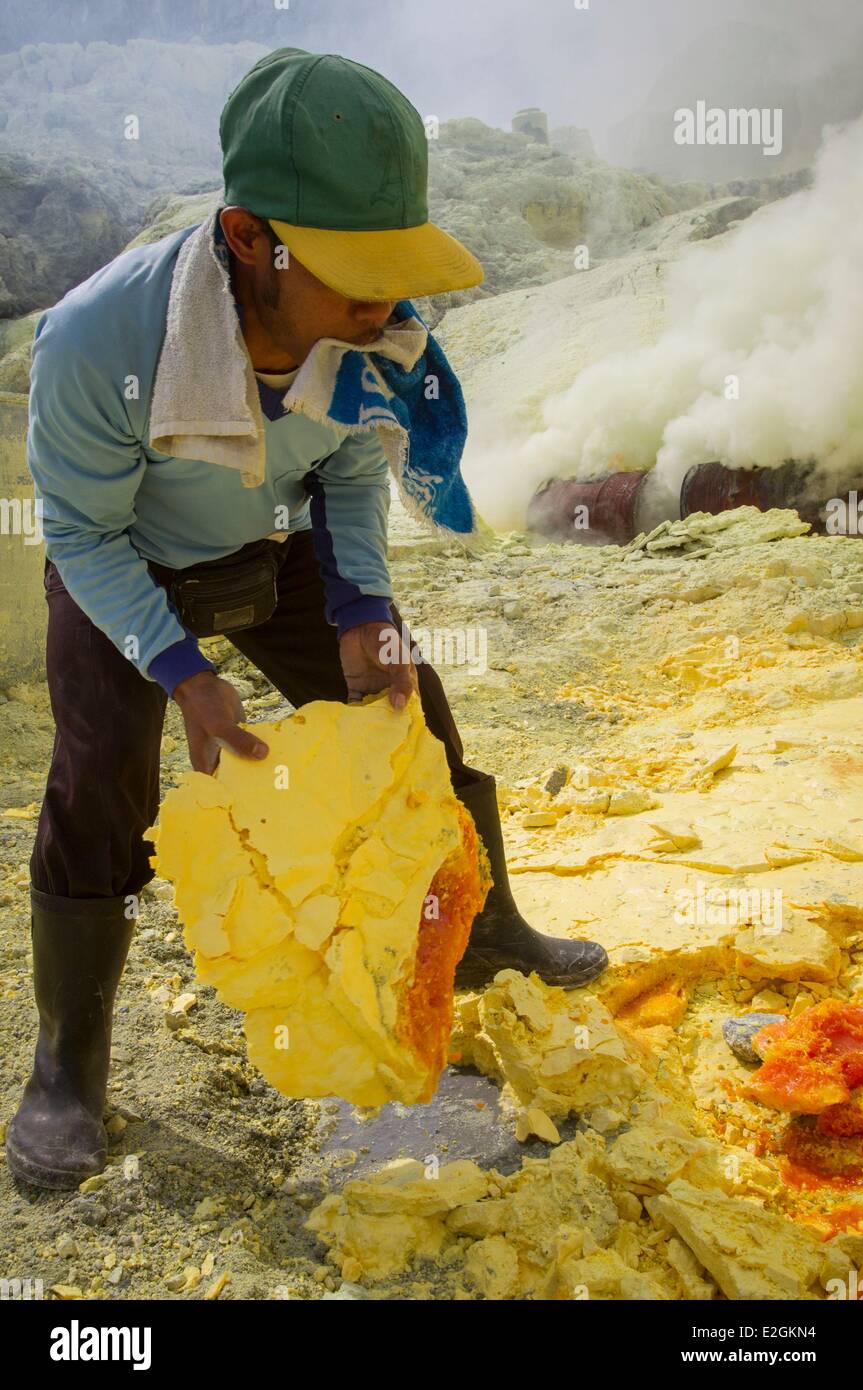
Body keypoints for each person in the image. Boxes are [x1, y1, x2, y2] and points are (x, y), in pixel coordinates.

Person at [7, 48, 607, 1190]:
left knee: (410, 715)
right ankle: (67, 1066)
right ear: (248, 239)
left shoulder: (375, 332)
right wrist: (182, 671)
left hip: (277, 547)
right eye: (349, 270)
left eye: (396, 266)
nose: (384, 303)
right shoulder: (96, 344)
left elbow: (341, 472)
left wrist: (360, 606)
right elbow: (79, 536)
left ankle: (473, 929)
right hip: (126, 560)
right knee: (99, 786)